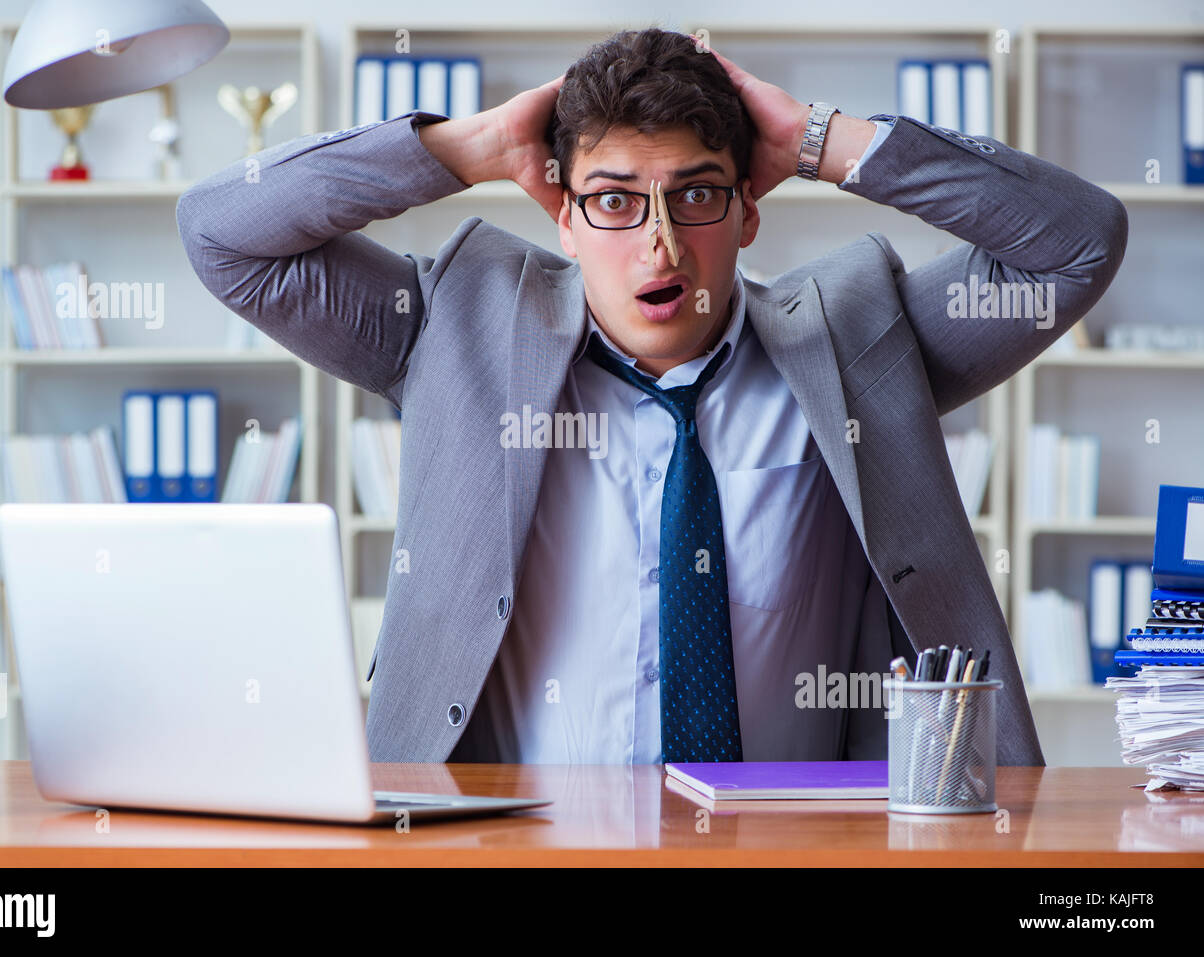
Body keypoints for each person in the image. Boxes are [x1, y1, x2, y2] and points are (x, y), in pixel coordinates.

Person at [177, 28, 1127, 766]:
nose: (661, 245)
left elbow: (1079, 242)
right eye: (616, 200)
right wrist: (465, 147)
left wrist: (820, 141)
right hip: (515, 844)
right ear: (564, 213)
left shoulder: (856, 339)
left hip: (802, 845)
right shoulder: (451, 324)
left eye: (697, 194)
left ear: (750, 207)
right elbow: (222, 233)